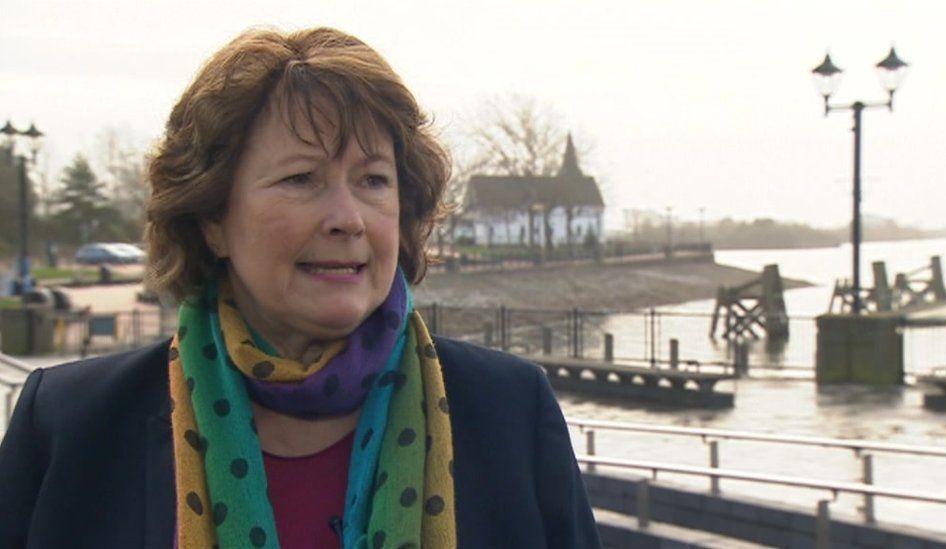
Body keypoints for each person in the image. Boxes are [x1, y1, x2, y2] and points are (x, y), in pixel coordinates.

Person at [0, 27, 601, 548]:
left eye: (372, 179)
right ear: (212, 218)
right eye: (301, 178)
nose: (348, 217)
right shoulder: (71, 425)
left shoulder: (509, 412)